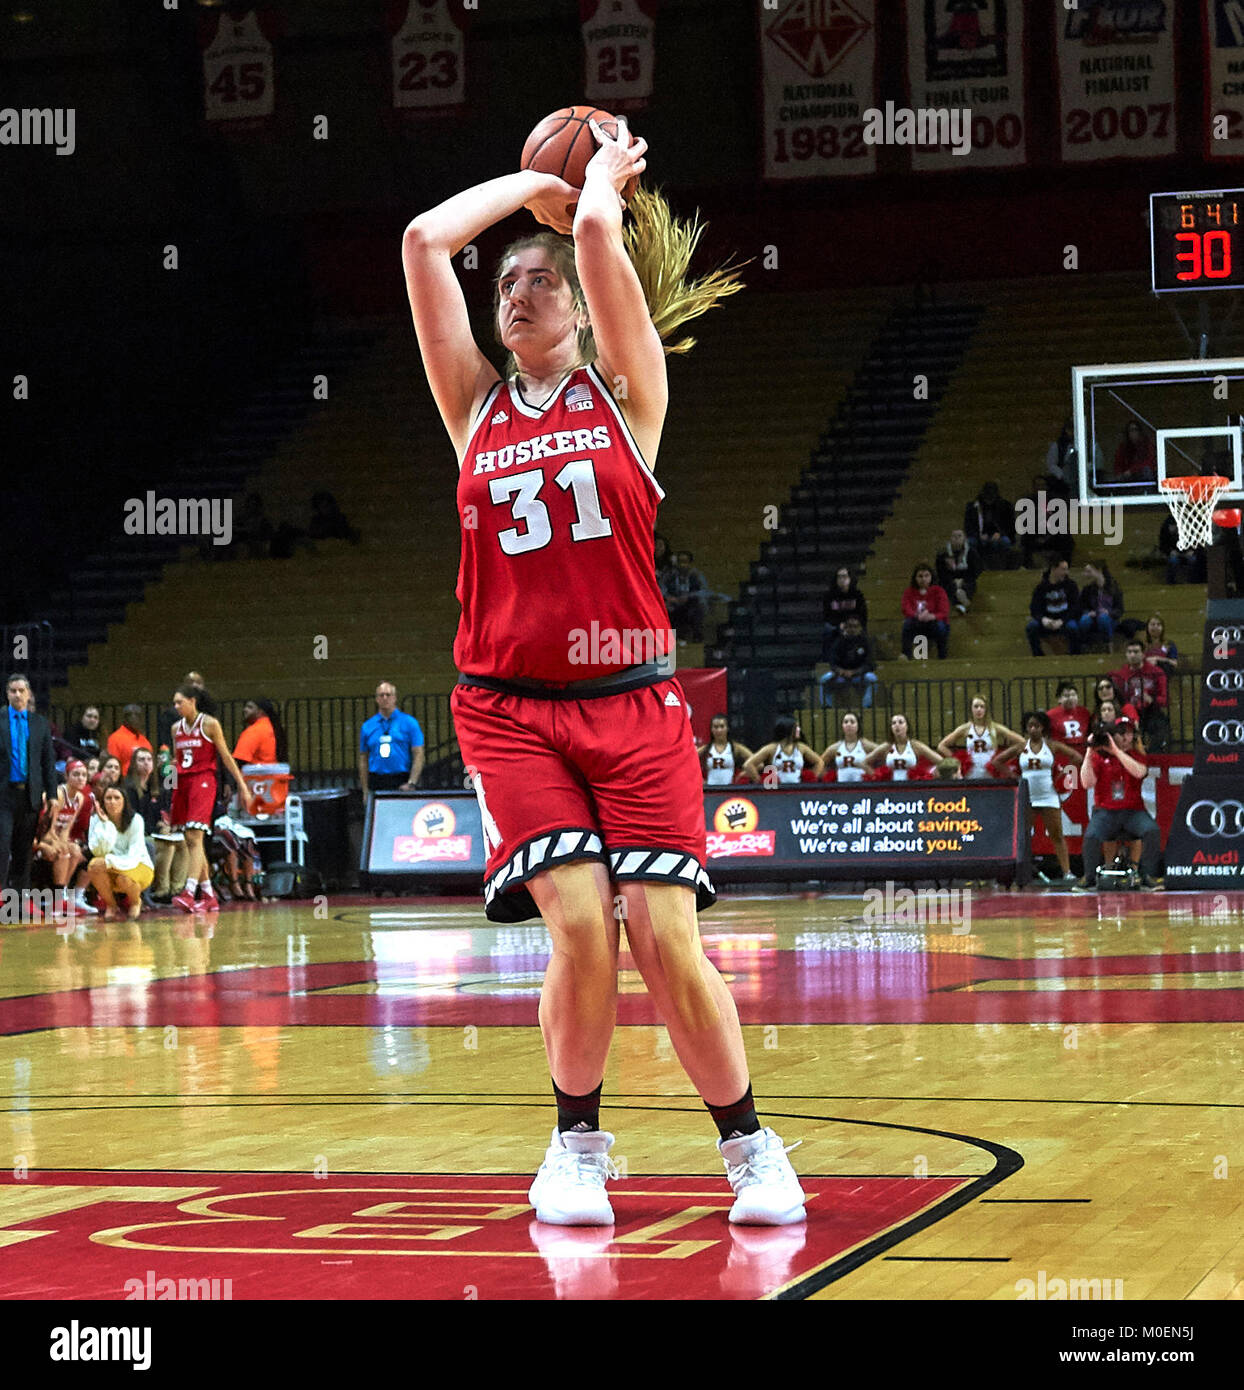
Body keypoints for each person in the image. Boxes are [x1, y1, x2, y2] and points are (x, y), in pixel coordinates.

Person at [402, 127, 804, 1224]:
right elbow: (424, 241)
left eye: (540, 284)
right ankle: (576, 1144)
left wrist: (590, 195)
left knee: (662, 936)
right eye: (510, 284)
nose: (517, 292)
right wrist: (532, 182)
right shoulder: (471, 407)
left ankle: (750, 1147)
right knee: (580, 927)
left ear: (582, 308)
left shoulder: (627, 397)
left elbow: (588, 232)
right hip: (508, 711)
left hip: (632, 705)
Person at [167, 684, 254, 914]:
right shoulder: (176, 728)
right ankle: (208, 895)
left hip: (203, 781)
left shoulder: (209, 724)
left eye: (179, 702)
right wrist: (170, 786)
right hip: (183, 783)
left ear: (192, 701)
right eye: (174, 703)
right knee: (190, 840)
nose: (176, 706)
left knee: (195, 837)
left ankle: (188, 892)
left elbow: (226, 756)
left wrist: (242, 786)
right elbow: (176, 764)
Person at [1073, 717, 1162, 891]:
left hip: (1133, 812)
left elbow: (1139, 772)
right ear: (1112, 735)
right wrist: (1089, 751)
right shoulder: (1099, 757)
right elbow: (1086, 783)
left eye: (1128, 733)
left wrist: (1116, 751)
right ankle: (1089, 877)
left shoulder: (1137, 755)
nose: (1125, 737)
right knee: (1091, 836)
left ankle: (1147, 875)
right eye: (1121, 733)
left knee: (1152, 830)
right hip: (1105, 812)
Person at [994, 712, 1082, 884]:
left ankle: (1067, 872)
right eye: (1030, 726)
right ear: (1026, 728)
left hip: (1049, 795)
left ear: (1043, 727)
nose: (1033, 729)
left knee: (1057, 835)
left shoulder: (1052, 746)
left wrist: (1063, 773)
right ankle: (1019, 870)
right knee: (1023, 836)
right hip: (1028, 796)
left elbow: (1077, 757)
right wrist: (1013, 776)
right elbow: (998, 761)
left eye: (1037, 725)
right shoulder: (1021, 747)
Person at [0, 673, 57, 892]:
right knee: (3, 847)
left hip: (30, 796)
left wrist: (52, 794)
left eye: (21, 691)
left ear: (29, 694)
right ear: (7, 694)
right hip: (4, 795)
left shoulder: (40, 723)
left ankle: (18, 901)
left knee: (24, 851)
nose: (17, 694)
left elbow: (48, 762)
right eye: (12, 691)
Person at [86, 785, 155, 922]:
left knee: (123, 878)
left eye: (117, 798)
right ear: (103, 801)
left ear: (124, 801)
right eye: (108, 798)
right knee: (93, 866)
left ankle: (135, 902)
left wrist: (111, 862)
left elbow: (134, 855)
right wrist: (105, 824)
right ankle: (111, 905)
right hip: (111, 865)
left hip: (139, 865)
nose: (112, 802)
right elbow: (98, 851)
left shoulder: (136, 820)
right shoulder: (96, 820)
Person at [36, 759, 94, 911]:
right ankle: (56, 899)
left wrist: (65, 842)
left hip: (55, 836)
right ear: (67, 776)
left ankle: (63, 896)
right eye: (76, 774)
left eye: (84, 775)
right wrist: (60, 844)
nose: (81, 778)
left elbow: (66, 829)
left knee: (75, 850)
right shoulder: (58, 795)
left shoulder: (80, 798)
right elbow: (47, 828)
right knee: (64, 851)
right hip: (42, 836)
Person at [359, 682, 424, 794]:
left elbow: (418, 754)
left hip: (401, 779)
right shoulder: (367, 726)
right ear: (377, 699)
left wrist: (411, 782)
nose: (385, 698)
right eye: (381, 695)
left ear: (395, 698)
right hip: (376, 780)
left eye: (388, 695)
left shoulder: (409, 723)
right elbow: (363, 759)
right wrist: (365, 791)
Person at [937, 695, 1022, 778]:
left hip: (992, 775)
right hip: (970, 775)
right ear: (971, 709)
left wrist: (1005, 756)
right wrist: (957, 760)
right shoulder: (965, 728)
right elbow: (941, 746)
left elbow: (1021, 742)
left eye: (982, 707)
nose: (979, 709)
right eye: (976, 706)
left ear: (986, 709)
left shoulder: (995, 727)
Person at [1112, 640, 1170, 752]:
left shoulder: (1156, 672)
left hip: (1150, 711)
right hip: (1128, 713)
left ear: (1143, 654)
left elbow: (1165, 699)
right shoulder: (1120, 675)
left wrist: (1152, 700)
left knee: (1160, 726)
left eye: (1136, 652)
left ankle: (1154, 757)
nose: (1132, 655)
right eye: (1129, 652)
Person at [743, 717, 824, 785]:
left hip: (798, 789)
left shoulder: (801, 748)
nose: (799, 730)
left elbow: (819, 762)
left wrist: (811, 781)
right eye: (796, 728)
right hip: (777, 791)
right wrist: (760, 783)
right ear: (788, 730)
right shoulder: (771, 748)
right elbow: (748, 765)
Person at [819, 614, 878, 708]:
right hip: (841, 676)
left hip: (859, 676)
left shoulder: (866, 642)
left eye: (855, 626)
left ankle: (866, 706)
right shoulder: (838, 642)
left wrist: (855, 672)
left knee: (872, 678)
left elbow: (870, 664)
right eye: (850, 626)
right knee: (824, 679)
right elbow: (832, 662)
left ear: (860, 628)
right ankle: (826, 707)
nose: (852, 629)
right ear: (845, 628)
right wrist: (840, 671)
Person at [1026, 557, 1081, 656]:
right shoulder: (1041, 588)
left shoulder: (1071, 585)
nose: (1066, 572)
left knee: (1073, 627)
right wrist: (1044, 620)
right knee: (1031, 627)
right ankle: (1038, 655)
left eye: (1066, 569)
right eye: (1063, 569)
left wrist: (1062, 621)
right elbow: (1034, 609)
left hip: (1065, 620)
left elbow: (1075, 608)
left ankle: (1075, 655)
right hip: (1047, 621)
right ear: (1053, 569)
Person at [864, 713, 939, 781]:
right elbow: (864, 762)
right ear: (891, 728)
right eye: (894, 723)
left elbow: (941, 761)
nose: (897, 725)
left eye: (900, 722)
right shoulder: (886, 746)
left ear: (907, 726)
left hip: (912, 788)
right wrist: (877, 777)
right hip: (891, 788)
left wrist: (931, 775)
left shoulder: (916, 746)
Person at [901, 563, 950, 659]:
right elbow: (906, 608)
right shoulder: (909, 592)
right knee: (907, 624)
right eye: (920, 576)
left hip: (934, 621)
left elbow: (944, 611)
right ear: (915, 578)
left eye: (926, 576)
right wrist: (917, 616)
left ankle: (942, 657)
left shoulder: (938, 591)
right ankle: (907, 656)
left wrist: (931, 616)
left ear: (931, 577)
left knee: (940, 627)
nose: (923, 579)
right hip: (916, 621)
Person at [821, 564, 868, 659]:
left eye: (844, 576)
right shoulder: (829, 596)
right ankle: (827, 661)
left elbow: (862, 614)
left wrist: (850, 624)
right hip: (836, 625)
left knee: (862, 632)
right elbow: (827, 615)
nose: (842, 579)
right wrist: (839, 625)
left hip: (853, 624)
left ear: (850, 578)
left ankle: (862, 659)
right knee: (827, 630)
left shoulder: (857, 595)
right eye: (839, 577)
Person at [963, 481, 1014, 569]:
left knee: (1005, 542)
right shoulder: (973, 507)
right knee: (969, 543)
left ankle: (1003, 568)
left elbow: (1011, 526)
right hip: (977, 536)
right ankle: (975, 568)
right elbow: (968, 526)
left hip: (999, 536)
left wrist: (1000, 533)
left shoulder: (1005, 506)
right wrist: (978, 535)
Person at [1075, 560, 1124, 651]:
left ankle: (1108, 645)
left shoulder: (1114, 588)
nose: (1086, 575)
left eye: (1089, 572)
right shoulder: (1087, 589)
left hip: (1109, 618)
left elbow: (1119, 609)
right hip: (1093, 617)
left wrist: (1109, 612)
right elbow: (1081, 607)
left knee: (1103, 618)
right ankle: (1084, 645)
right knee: (1084, 620)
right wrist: (1088, 612)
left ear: (1099, 570)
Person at [818, 711, 877, 784]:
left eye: (852, 722)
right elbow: (819, 764)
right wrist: (829, 776)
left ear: (858, 726)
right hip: (842, 789)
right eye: (846, 722)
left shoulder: (866, 745)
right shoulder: (835, 748)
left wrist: (870, 771)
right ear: (842, 726)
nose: (849, 724)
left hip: (862, 788)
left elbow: (884, 758)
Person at [664, 550, 708, 644]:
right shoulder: (671, 574)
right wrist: (668, 597)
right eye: (680, 561)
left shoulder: (696, 574)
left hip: (690, 602)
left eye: (685, 561)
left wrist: (689, 596)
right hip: (674, 602)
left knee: (698, 607)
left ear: (690, 563)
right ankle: (673, 638)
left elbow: (703, 590)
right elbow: (661, 587)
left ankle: (697, 636)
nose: (682, 564)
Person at [697, 715, 753, 787]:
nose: (719, 730)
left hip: (729, 790)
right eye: (716, 727)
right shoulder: (706, 749)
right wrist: (700, 780)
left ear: (727, 728)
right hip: (710, 791)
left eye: (722, 726)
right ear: (712, 729)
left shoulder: (736, 747)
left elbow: (758, 764)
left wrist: (744, 773)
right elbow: (688, 762)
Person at [935, 528, 982, 613]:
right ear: (950, 539)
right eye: (954, 536)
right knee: (948, 586)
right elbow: (941, 572)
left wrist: (962, 580)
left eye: (959, 536)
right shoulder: (942, 554)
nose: (956, 538)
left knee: (970, 584)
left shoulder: (971, 552)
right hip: (948, 580)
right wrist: (953, 580)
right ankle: (963, 603)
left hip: (966, 580)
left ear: (964, 538)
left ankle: (960, 601)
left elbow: (976, 570)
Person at [233, 698, 287, 767]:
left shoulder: (254, 731)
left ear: (261, 712)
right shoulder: (273, 728)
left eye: (250, 707)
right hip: (276, 774)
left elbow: (240, 759)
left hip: (257, 775)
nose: (245, 709)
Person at [1046, 681, 1092, 757]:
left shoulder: (1084, 712)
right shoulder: (1051, 715)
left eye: (1073, 695)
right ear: (1059, 699)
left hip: (1083, 752)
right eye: (1066, 696)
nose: (1071, 698)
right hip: (1063, 754)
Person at [1159, 513, 1206, 585]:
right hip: (1173, 553)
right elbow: (1163, 545)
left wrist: (1192, 551)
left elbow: (1198, 543)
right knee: (1174, 560)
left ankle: (1193, 581)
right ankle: (1171, 582)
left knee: (1193, 560)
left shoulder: (1191, 527)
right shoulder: (1166, 528)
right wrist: (1170, 551)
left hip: (1188, 552)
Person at [106, 704, 153, 776]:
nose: (136, 719)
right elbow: (113, 765)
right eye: (131, 715)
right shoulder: (115, 738)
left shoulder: (144, 741)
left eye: (139, 716)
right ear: (125, 718)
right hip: (124, 783)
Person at [1142, 615, 1179, 680]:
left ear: (1162, 628)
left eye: (1158, 625)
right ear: (1147, 627)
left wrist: (1158, 659)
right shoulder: (1142, 644)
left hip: (1162, 677)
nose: (1155, 627)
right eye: (1153, 624)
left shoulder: (1169, 644)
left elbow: (1174, 663)